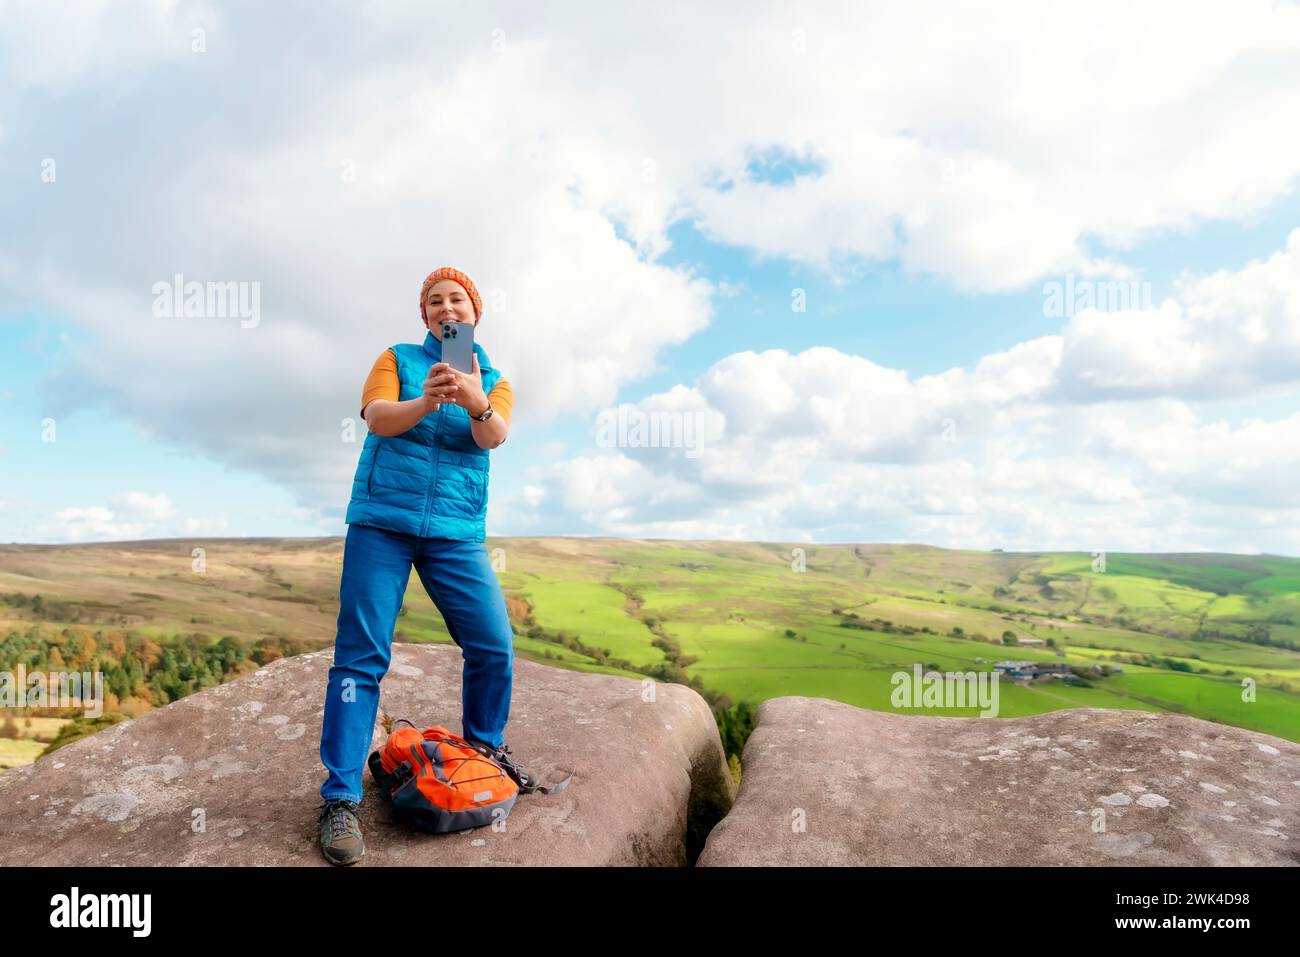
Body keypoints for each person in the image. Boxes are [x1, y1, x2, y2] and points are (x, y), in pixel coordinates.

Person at [316, 266, 516, 866]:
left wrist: (475, 398)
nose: (447, 308)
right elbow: (377, 418)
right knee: (360, 658)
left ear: (474, 312)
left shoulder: (497, 377)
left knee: (493, 646)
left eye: (457, 300)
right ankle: (340, 800)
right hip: (382, 522)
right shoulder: (398, 358)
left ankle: (481, 755)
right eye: (435, 301)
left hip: (455, 534)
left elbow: (494, 436)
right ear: (424, 315)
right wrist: (426, 399)